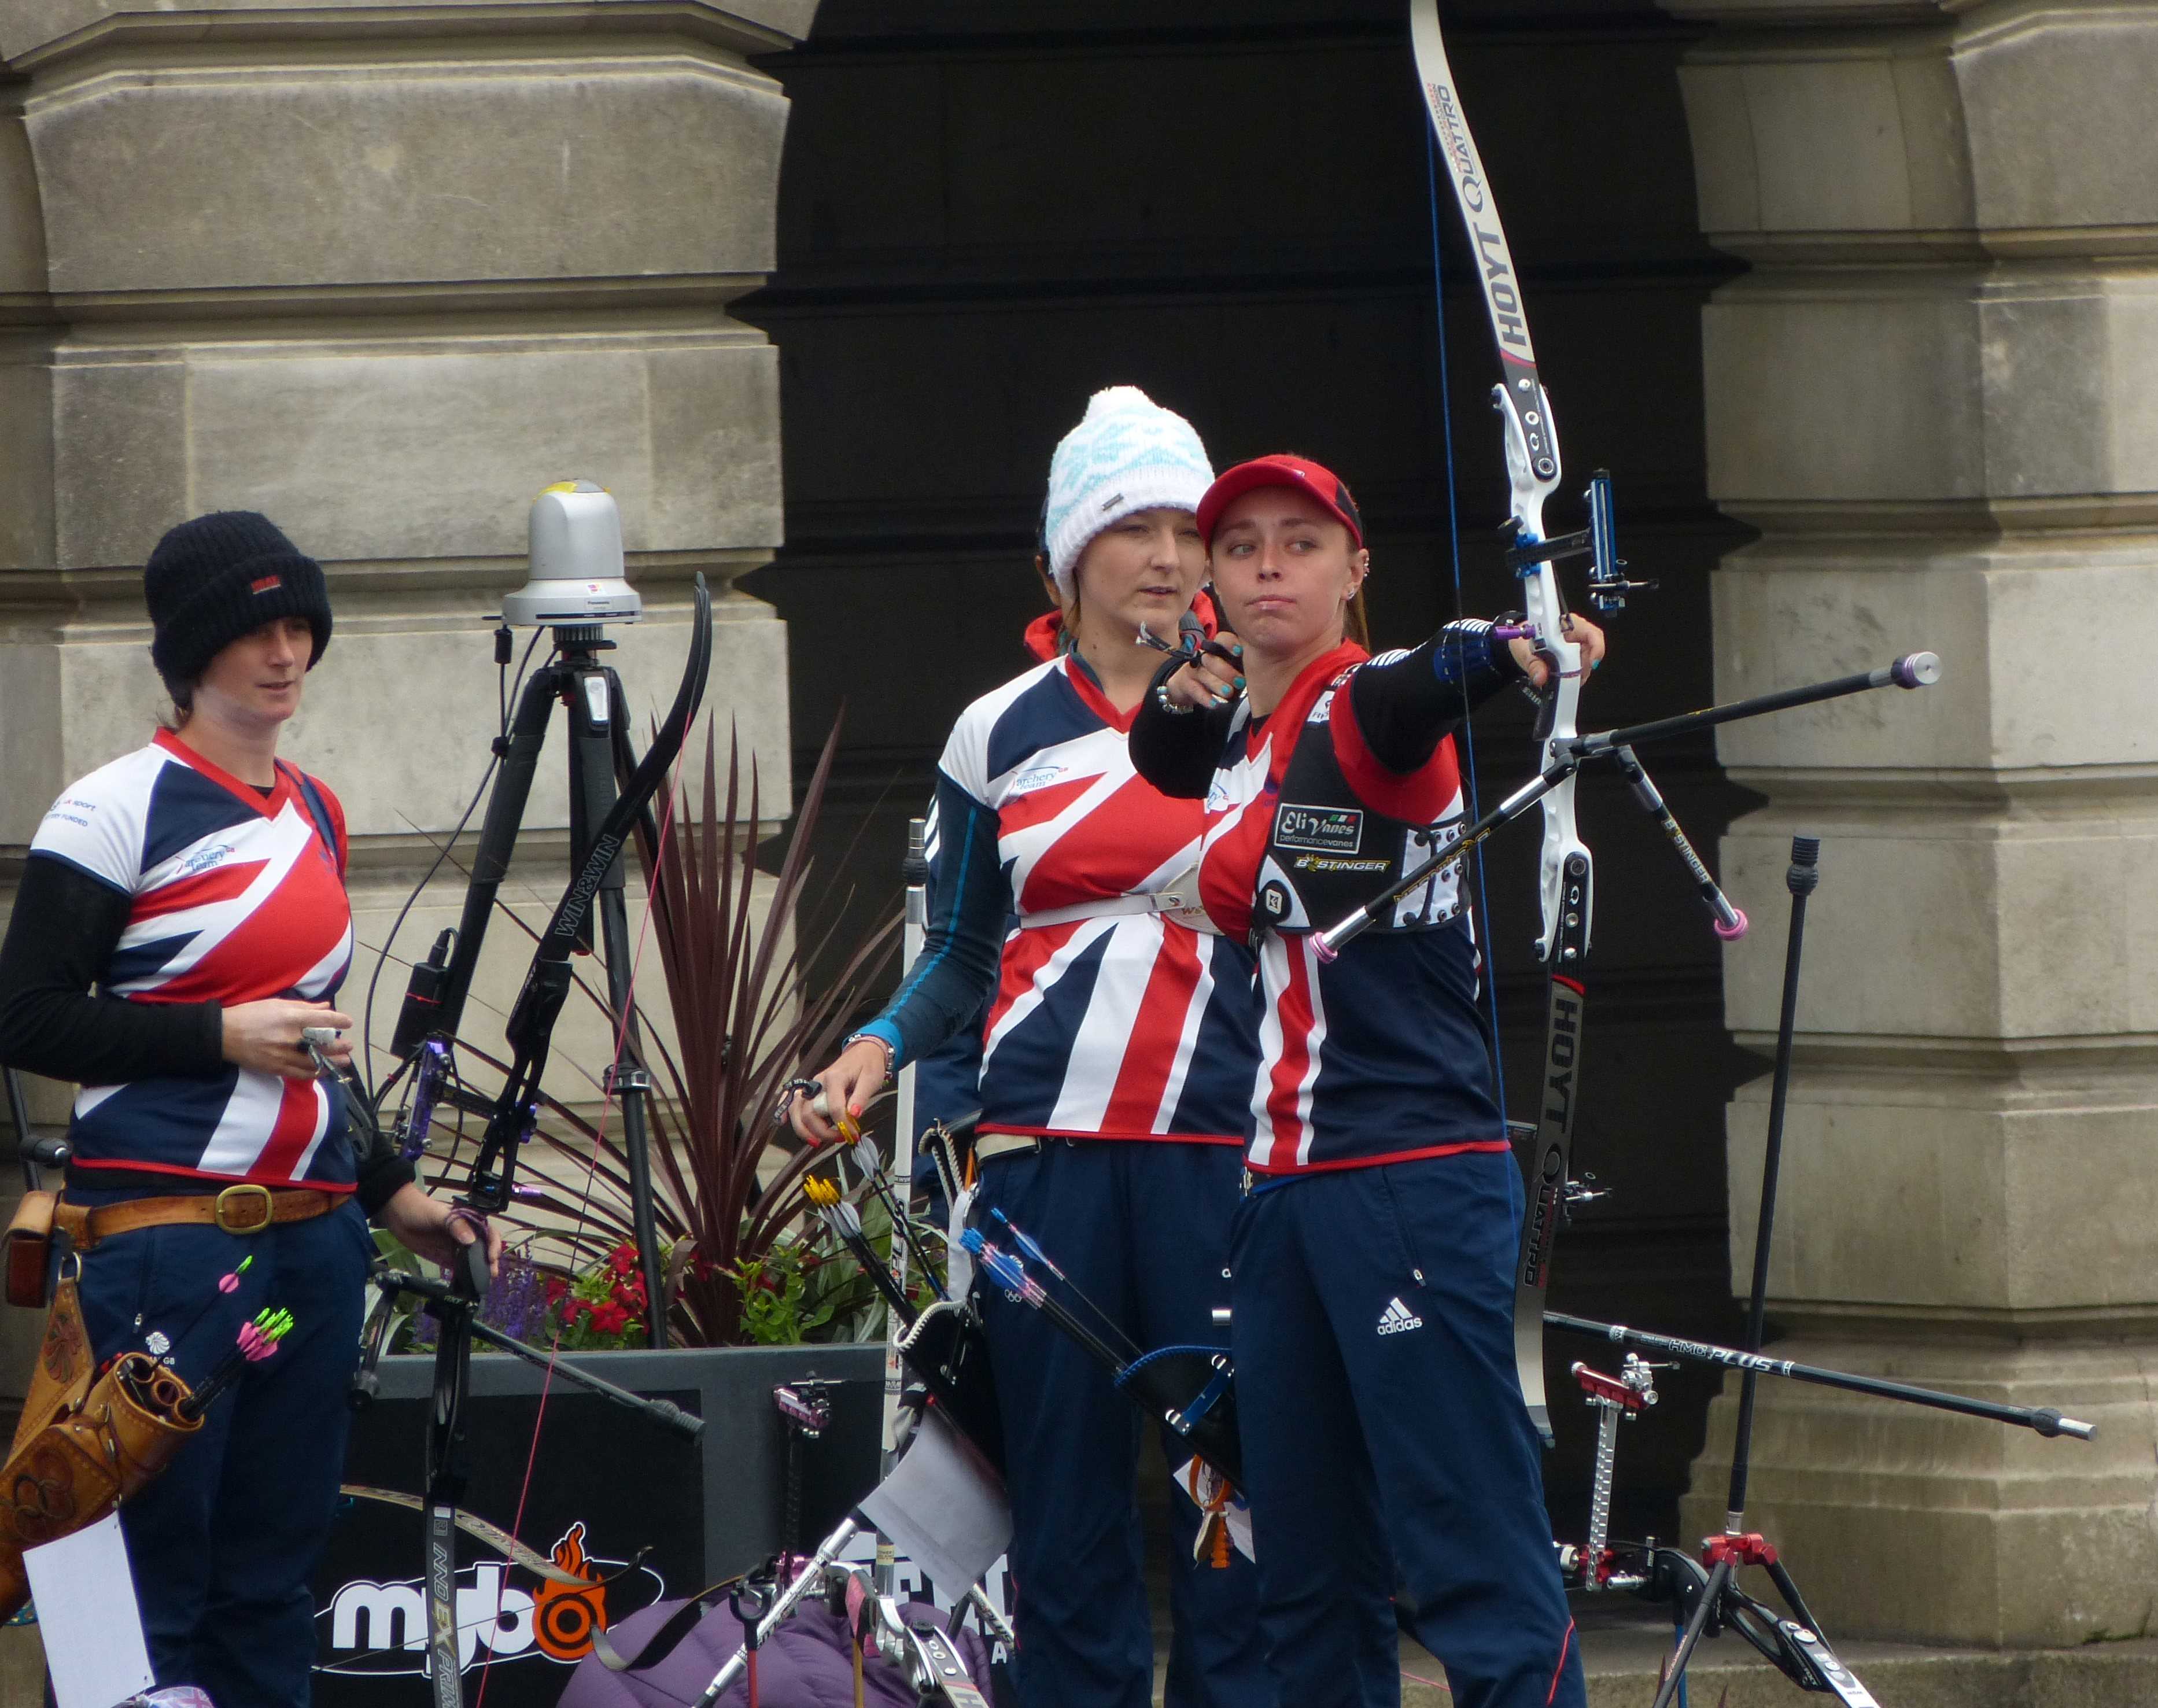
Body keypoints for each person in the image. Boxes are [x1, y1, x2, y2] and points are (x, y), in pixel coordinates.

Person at [790, 388, 1274, 1708]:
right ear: (1069, 558)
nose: (1169, 556)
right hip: (1045, 1166)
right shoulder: (996, 728)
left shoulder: (1260, 714)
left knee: (1226, 1504)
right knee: (1064, 1515)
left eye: (1190, 527)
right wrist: (877, 1049)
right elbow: (958, 956)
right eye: (1133, 528)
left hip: (1215, 1156)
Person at [0, 511, 502, 1708]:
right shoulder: (113, 807)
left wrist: (396, 1198)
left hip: (314, 1244)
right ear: (193, 653)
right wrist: (217, 1033)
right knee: (143, 1586)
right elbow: (24, 1018)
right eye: (254, 631)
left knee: (273, 1585)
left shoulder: (317, 810)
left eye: (299, 628)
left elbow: (320, 1051)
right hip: (168, 1243)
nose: (285, 653)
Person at [1127, 454, 1605, 1708]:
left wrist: (1518, 642)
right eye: (1242, 548)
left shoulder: (1364, 707)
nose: (1270, 566)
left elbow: (1428, 679)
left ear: (1355, 570)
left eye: (1301, 542)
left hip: (1406, 1182)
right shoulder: (1243, 729)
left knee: (1470, 1562)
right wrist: (1189, 688)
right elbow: (1164, 753)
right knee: (1308, 1581)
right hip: (1281, 1193)